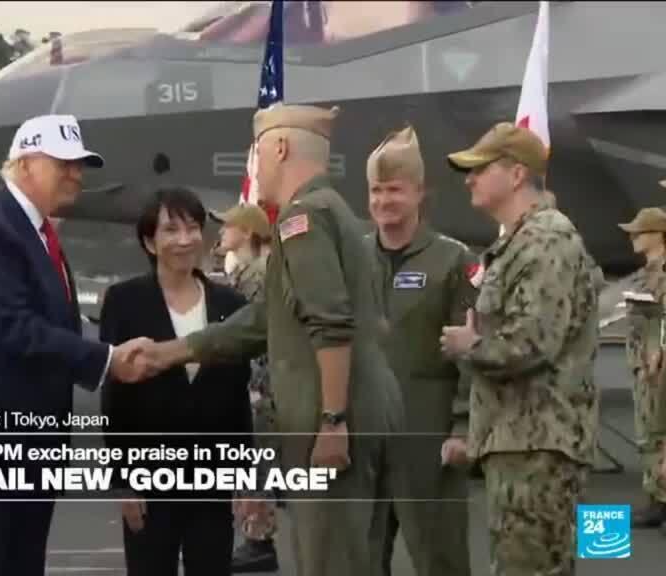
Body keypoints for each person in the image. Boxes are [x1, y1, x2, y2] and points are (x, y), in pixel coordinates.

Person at [123, 103, 406, 576]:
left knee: (330, 561)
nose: (253, 167)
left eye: (256, 152)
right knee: (357, 558)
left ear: (280, 148)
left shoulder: (303, 219)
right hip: (365, 408)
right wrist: (172, 351)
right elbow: (267, 318)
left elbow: (330, 323)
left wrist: (332, 420)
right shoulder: (331, 209)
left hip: (334, 417)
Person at [0, 113, 151, 576]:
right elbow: (15, 327)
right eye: (63, 163)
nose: (76, 174)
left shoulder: (31, 228)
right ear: (24, 164)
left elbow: (51, 321)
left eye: (80, 165)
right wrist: (106, 359)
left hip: (22, 437)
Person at [440, 122, 600, 575]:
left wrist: (471, 345)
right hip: (521, 443)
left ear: (516, 175)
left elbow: (533, 343)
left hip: (538, 449)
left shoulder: (545, 240)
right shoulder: (520, 241)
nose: (469, 180)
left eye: (480, 169)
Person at [100, 186, 252, 576]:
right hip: (150, 479)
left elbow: (238, 396)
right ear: (150, 242)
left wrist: (245, 475)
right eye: (171, 230)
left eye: (193, 228)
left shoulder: (230, 304)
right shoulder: (124, 301)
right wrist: (123, 479)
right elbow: (115, 398)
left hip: (212, 479)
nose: (185, 240)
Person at [363, 125, 475, 576]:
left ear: (419, 193)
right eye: (376, 190)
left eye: (394, 189)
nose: (383, 200)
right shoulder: (352, 258)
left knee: (440, 558)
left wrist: (463, 427)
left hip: (428, 434)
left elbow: (470, 352)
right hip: (365, 440)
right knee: (362, 559)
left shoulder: (453, 260)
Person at [212, 203, 280, 573]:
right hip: (259, 379)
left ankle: (259, 540)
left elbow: (254, 329)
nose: (221, 232)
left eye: (228, 226)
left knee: (255, 459)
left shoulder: (256, 273)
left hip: (260, 382)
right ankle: (256, 536)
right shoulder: (254, 269)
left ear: (248, 232)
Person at [618, 205, 666, 532]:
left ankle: (660, 500)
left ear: (659, 235)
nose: (633, 237)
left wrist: (658, 352)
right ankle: (656, 497)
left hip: (656, 365)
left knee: (656, 432)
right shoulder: (645, 274)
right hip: (641, 363)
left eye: (640, 232)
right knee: (647, 432)